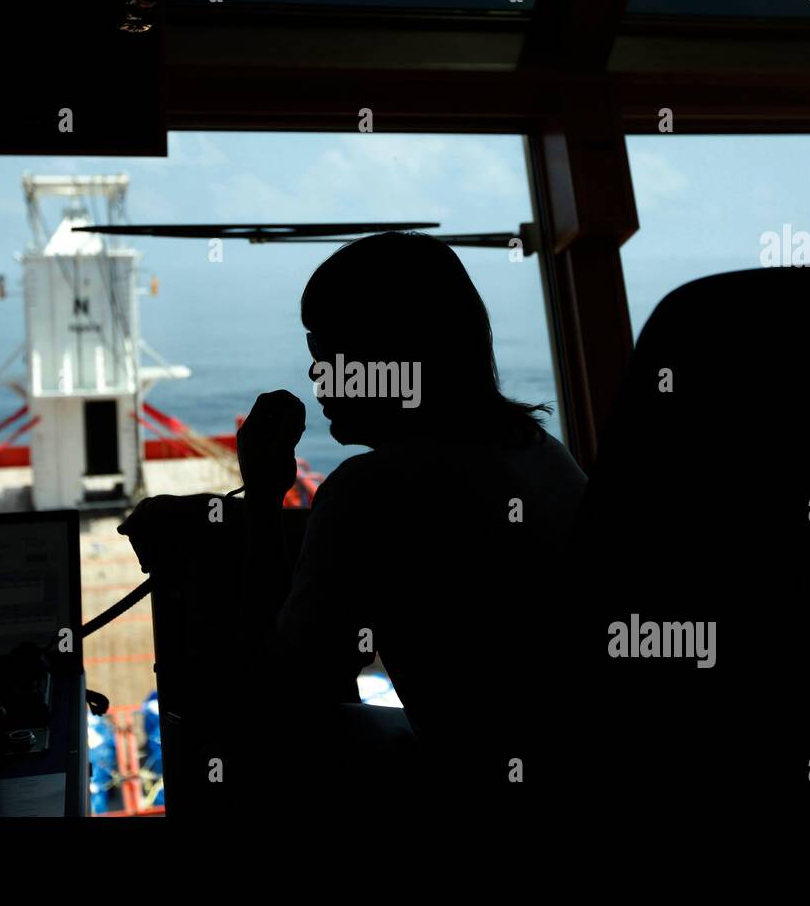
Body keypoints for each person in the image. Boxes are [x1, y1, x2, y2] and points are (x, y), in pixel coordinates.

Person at [234, 231, 587, 815]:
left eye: (326, 351)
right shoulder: (539, 451)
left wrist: (264, 497)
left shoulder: (371, 488)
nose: (318, 376)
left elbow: (277, 692)